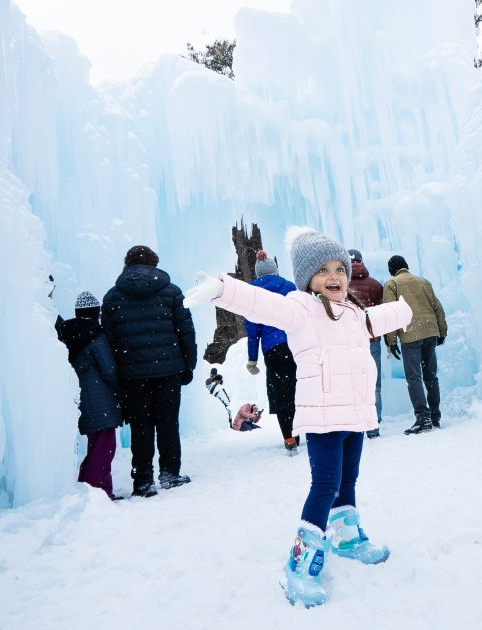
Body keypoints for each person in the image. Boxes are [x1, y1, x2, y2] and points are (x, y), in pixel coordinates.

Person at [184, 229, 412, 608]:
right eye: (323, 270)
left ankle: (346, 537)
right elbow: (261, 304)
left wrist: (403, 309)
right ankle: (300, 563)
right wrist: (223, 288)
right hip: (322, 418)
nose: (334, 275)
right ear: (307, 279)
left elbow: (376, 320)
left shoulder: (354, 313)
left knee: (348, 480)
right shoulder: (299, 309)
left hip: (353, 414)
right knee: (325, 484)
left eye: (339, 267)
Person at [102, 245, 197, 498]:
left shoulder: (112, 297)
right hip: (168, 369)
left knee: (140, 427)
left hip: (132, 374)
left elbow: (109, 341)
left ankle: (143, 480)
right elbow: (186, 331)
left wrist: (116, 375)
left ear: (127, 263)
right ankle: (169, 473)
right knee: (168, 423)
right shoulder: (171, 292)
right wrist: (189, 365)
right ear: (154, 263)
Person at [59, 291, 124, 499]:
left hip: (82, 397)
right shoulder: (96, 335)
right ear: (96, 313)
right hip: (100, 397)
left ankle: (86, 486)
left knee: (95, 444)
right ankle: (98, 490)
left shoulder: (67, 333)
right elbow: (109, 369)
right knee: (105, 446)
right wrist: (121, 390)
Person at [382, 255, 448, 435]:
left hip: (410, 335)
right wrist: (442, 331)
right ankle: (435, 416)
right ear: (406, 266)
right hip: (430, 332)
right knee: (431, 376)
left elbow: (391, 313)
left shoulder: (392, 284)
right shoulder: (423, 281)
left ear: (392, 270)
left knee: (414, 378)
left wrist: (391, 341)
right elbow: (437, 307)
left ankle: (422, 417)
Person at [243, 250, 301, 455]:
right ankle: (302, 429)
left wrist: (252, 358)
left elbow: (252, 330)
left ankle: (289, 438)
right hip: (295, 344)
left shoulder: (252, 293)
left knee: (282, 393)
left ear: (258, 273)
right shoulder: (288, 286)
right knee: (299, 389)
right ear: (275, 269)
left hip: (272, 349)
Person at [346, 249, 385, 438]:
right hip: (373, 340)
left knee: (353, 385)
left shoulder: (342, 286)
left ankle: (356, 425)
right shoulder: (375, 285)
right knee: (374, 384)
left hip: (350, 343)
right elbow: (381, 313)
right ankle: (374, 425)